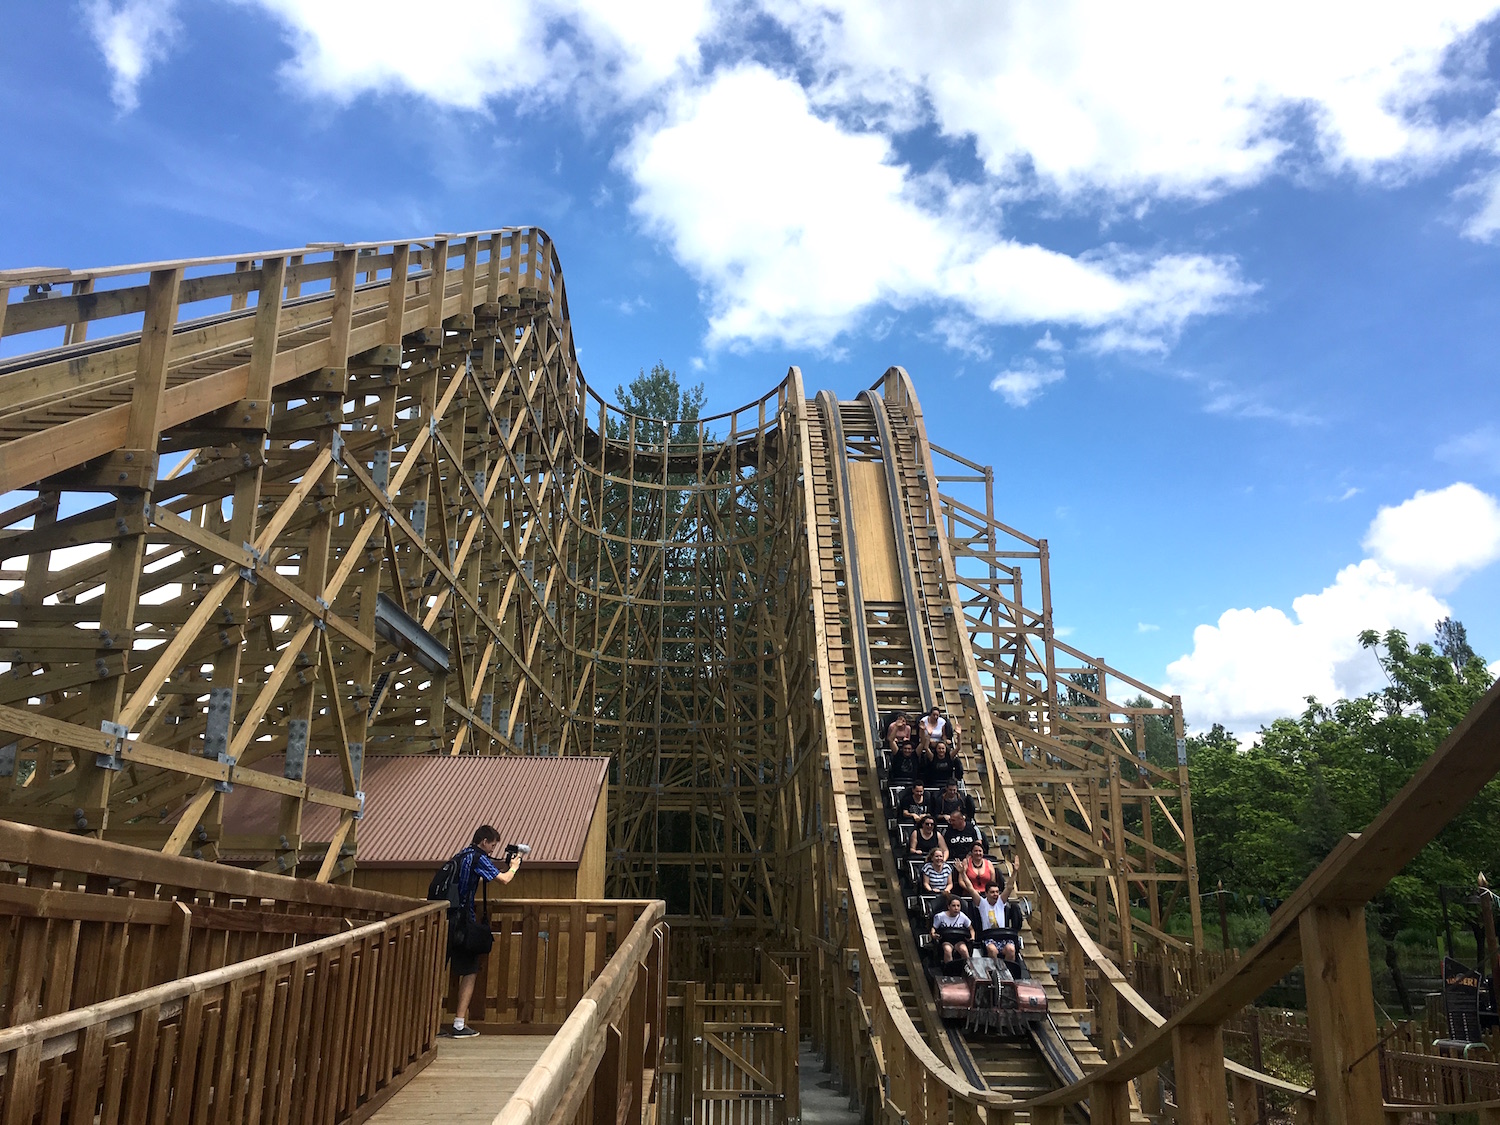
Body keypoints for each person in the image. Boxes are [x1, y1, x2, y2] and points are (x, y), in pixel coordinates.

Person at [440, 825, 521, 1038]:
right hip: (463, 922)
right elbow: (504, 880)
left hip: (446, 919)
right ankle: (458, 1024)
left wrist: (497, 868)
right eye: (492, 845)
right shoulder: (479, 857)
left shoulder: (462, 855)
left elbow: (479, 877)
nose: (493, 850)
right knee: (469, 970)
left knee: (439, 969)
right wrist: (513, 867)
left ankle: (430, 1025)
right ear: (484, 841)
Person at [973, 882, 1017, 962]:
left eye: (997, 892)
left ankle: (1008, 971)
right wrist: (962, 874)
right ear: (986, 893)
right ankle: (995, 972)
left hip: (1003, 936)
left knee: (1011, 949)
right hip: (989, 937)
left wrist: (1015, 872)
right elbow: (970, 888)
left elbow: (1009, 887)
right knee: (992, 949)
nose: (995, 894)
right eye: (992, 892)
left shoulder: (1001, 902)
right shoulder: (982, 903)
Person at [931, 894, 974, 965]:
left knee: (964, 950)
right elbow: (934, 928)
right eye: (953, 906)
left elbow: (971, 929)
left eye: (958, 906)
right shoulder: (940, 916)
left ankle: (967, 968)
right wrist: (933, 934)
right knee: (948, 950)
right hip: (946, 940)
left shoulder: (963, 916)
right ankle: (949, 969)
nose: (956, 908)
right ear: (948, 907)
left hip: (959, 940)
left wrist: (972, 937)